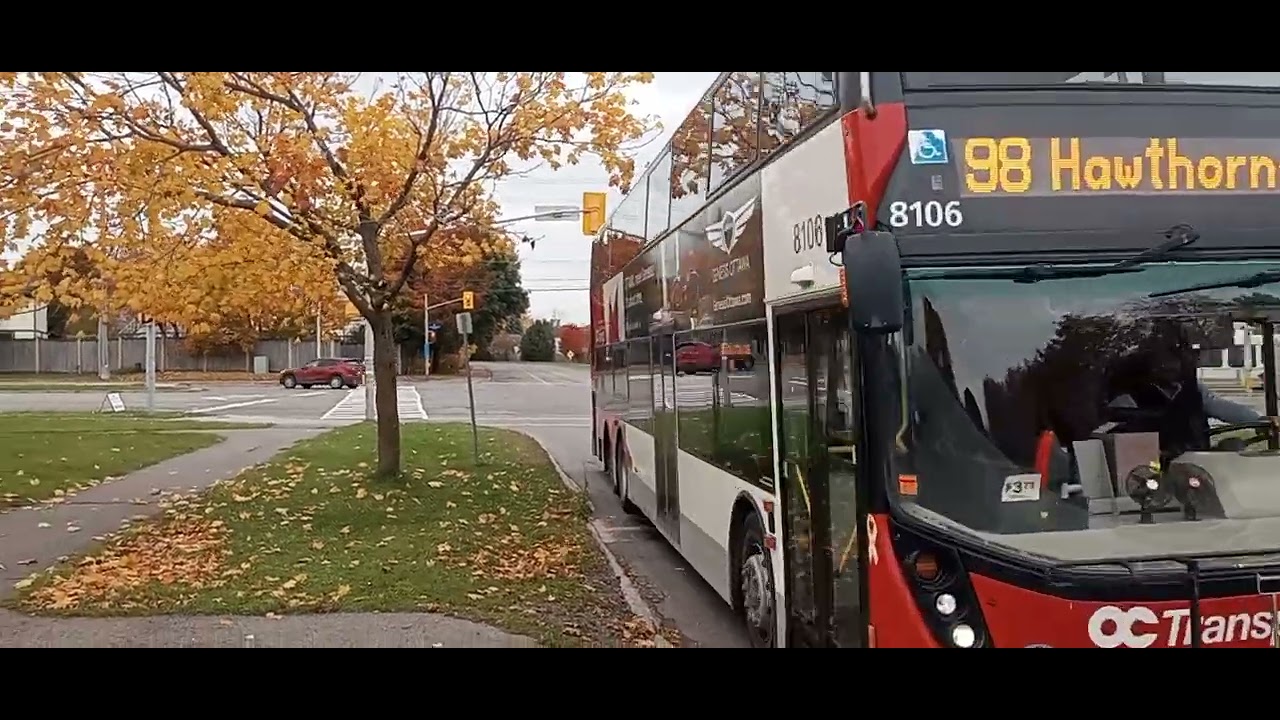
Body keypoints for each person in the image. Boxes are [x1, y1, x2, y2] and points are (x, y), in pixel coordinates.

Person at [1106, 326, 1277, 454]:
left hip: (1198, 466)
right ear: (1150, 361)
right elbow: (1122, 441)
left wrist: (1259, 420)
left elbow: (1221, 407)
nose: (1174, 364)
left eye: (1180, 357)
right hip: (1155, 474)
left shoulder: (1192, 389)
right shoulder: (1128, 398)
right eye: (1166, 357)